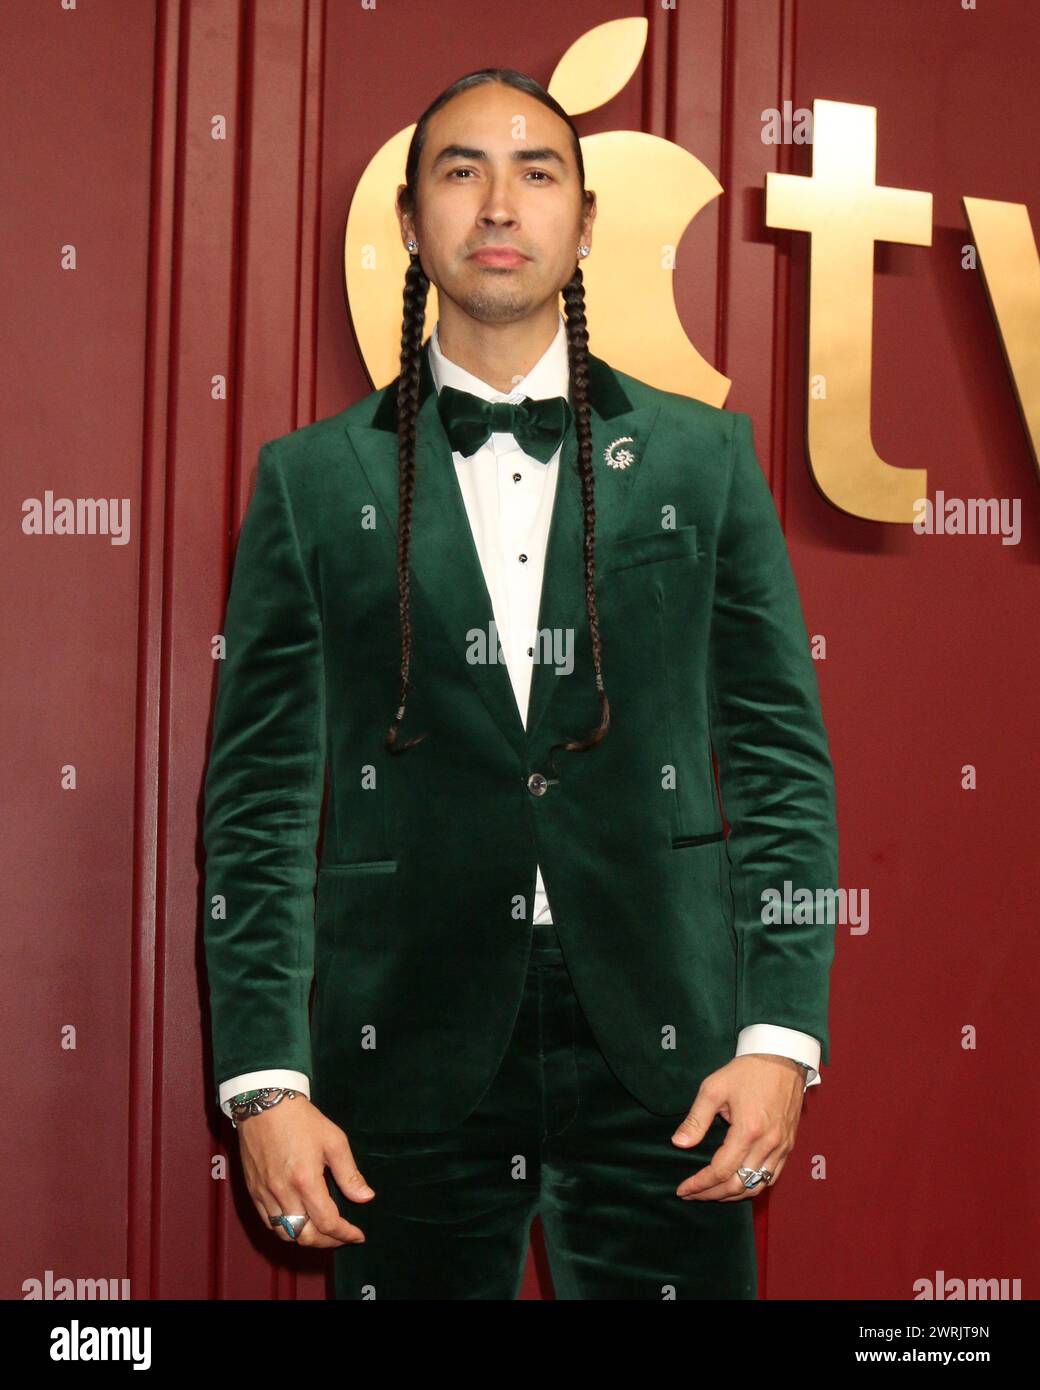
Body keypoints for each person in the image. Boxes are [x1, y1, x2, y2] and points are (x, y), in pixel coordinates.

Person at [202, 67, 839, 1301]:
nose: (499, 203)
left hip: (670, 1056)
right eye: (461, 170)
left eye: (536, 171)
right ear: (407, 220)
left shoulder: (705, 462)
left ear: (585, 221)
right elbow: (257, 808)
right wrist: (267, 1085)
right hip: (404, 1050)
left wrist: (780, 1039)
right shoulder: (310, 482)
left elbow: (778, 767)